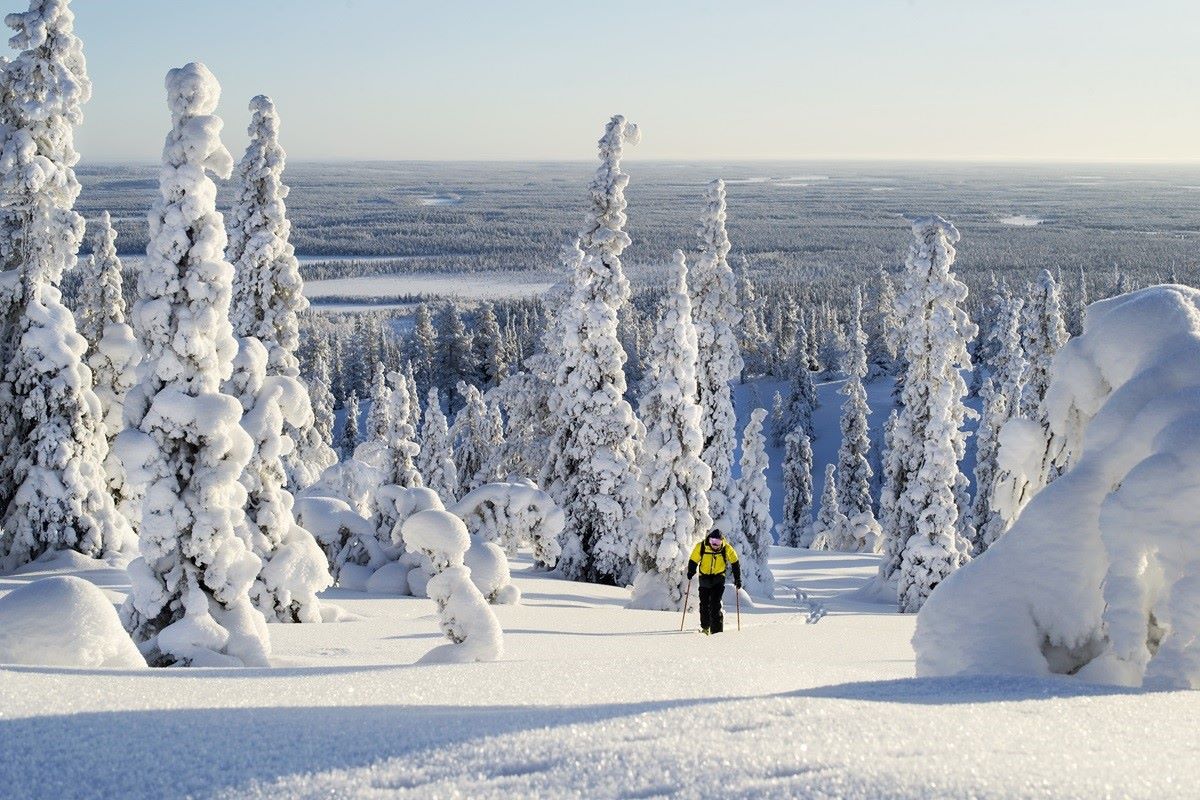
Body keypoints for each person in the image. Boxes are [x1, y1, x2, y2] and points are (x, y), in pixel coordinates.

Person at [686, 530, 742, 635]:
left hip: (719, 577)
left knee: (715, 604)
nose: (715, 545)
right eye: (712, 541)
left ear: (722, 541)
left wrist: (737, 578)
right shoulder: (701, 546)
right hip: (704, 577)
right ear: (709, 540)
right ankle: (705, 627)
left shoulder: (726, 548)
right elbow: (693, 559)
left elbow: (735, 563)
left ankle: (717, 632)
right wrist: (691, 571)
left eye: (717, 542)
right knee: (704, 604)